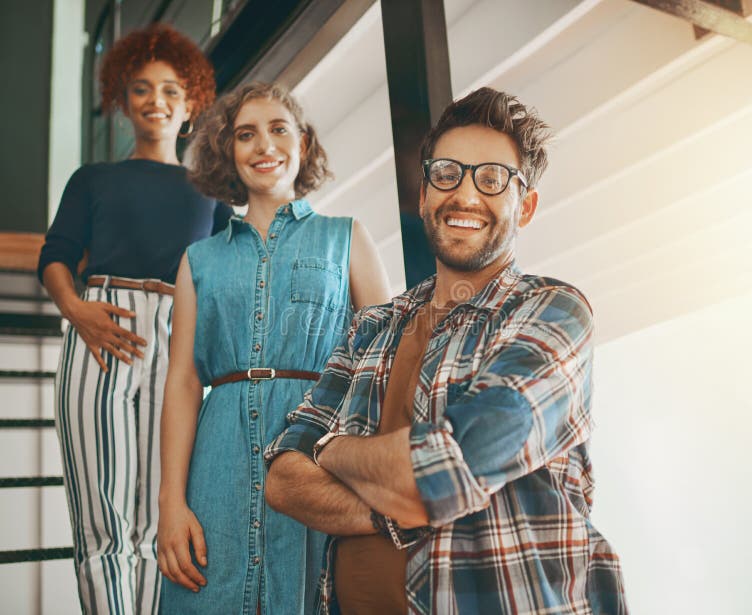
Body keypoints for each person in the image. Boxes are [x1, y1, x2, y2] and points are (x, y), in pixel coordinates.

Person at [264, 87, 628, 614]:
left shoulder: (551, 310)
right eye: (447, 174)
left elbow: (443, 471)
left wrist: (332, 450)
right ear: (423, 196)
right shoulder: (372, 327)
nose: (465, 195)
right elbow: (283, 480)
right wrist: (393, 510)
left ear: (525, 207)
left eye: (492, 178)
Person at [156, 81, 392, 614]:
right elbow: (184, 382)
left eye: (278, 129)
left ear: (302, 143)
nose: (264, 145)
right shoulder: (198, 260)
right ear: (228, 152)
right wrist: (171, 502)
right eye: (246, 134)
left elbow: (384, 365)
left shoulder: (347, 237)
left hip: (317, 462)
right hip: (216, 465)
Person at [37, 23, 227, 614]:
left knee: (162, 517)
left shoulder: (210, 192)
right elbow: (54, 257)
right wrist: (76, 311)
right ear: (122, 100)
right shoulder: (93, 179)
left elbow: (227, 277)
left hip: (179, 339)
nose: (155, 101)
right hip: (102, 330)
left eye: (171, 90)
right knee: (102, 520)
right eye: (141, 89)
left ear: (191, 103)